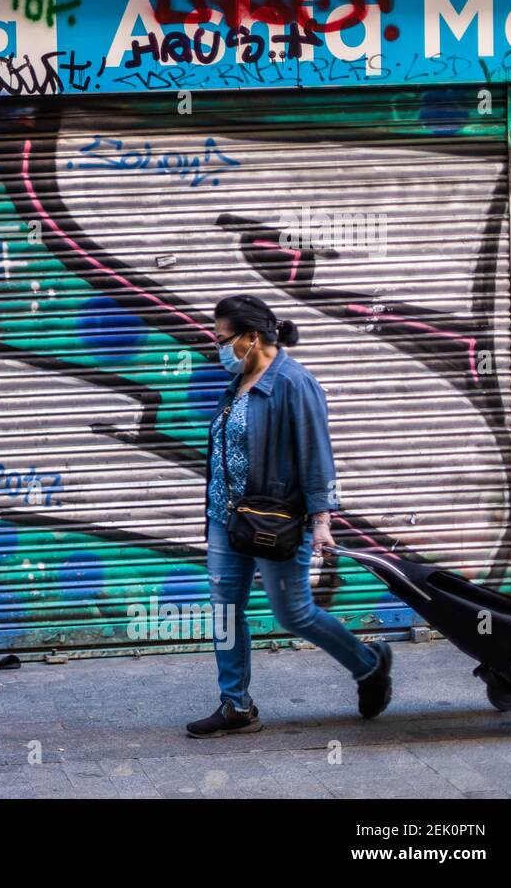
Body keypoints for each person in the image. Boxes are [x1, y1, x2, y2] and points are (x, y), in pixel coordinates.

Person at [186, 294, 393, 738]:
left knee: (294, 613)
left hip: (273, 520)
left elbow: (318, 453)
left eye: (222, 338)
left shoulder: (294, 383)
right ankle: (236, 706)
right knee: (225, 611)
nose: (217, 347)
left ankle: (369, 664)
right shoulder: (241, 379)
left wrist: (321, 519)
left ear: (252, 336)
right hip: (227, 518)